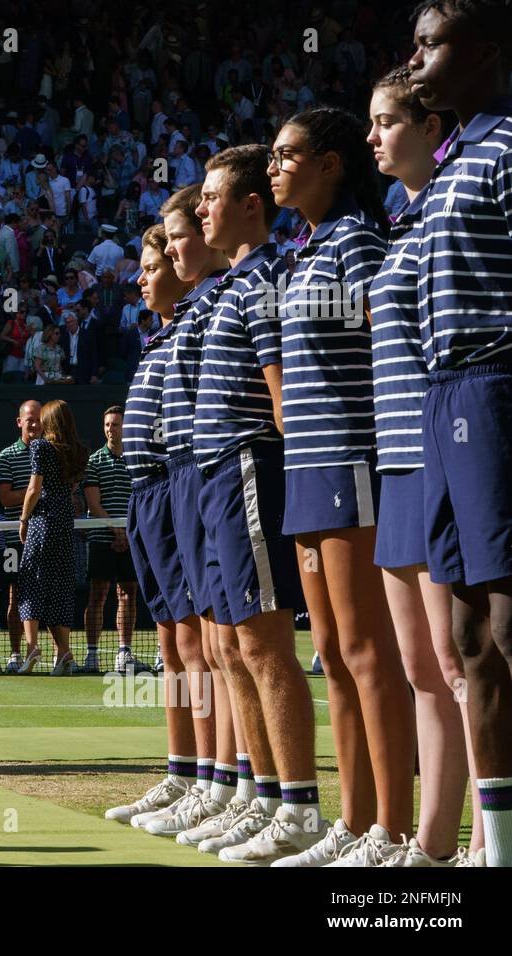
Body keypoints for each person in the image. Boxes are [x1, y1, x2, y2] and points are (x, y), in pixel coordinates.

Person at [268, 107, 415, 866]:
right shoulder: (304, 251)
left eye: (287, 155)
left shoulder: (357, 239)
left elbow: (389, 336)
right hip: (305, 469)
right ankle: (353, 825)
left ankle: (394, 829)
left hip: (350, 462)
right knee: (329, 650)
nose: (273, 168)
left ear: (329, 164)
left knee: (365, 652)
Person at [191, 146, 320, 864]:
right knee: (241, 645)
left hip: (249, 465)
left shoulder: (265, 277)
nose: (201, 208)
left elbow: (281, 395)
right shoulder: (232, 284)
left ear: (250, 207)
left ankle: (297, 806)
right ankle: (265, 799)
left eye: (213, 197)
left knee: (266, 644)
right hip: (219, 472)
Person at [366, 65, 481, 868]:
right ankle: (434, 844)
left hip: (444, 452)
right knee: (422, 670)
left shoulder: (451, 207)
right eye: (371, 123)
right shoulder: (398, 221)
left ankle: (489, 838)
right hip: (397, 462)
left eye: (388, 121)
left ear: (430, 127)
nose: (374, 136)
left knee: (461, 661)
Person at [408, 0, 512, 868]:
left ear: (482, 52)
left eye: (430, 44)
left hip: (494, 384)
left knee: (507, 627)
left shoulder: (508, 147)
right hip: (443, 398)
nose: (415, 60)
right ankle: (496, 849)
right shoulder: (448, 164)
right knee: (469, 637)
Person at [121, 223, 222, 837]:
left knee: (195, 643)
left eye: (152, 268)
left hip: (176, 483)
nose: (142, 279)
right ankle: (182, 772)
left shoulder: (194, 323)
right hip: (147, 493)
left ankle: (211, 778)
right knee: (169, 643)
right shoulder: (157, 337)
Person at [18, 399, 88, 676]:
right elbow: (71, 487)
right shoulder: (77, 450)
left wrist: (24, 519)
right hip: (65, 521)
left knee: (31, 582)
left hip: (43, 521)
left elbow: (34, 489)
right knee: (60, 586)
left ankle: (32, 648)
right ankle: (64, 653)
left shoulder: (40, 447)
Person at [81, 407, 148, 676]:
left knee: (128, 593)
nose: (111, 429)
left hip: (131, 538)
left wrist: (127, 533)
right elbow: (93, 504)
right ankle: (92, 655)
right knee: (97, 594)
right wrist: (116, 530)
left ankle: (124, 653)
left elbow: (141, 499)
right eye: (107, 424)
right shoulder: (94, 461)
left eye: (116, 424)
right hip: (101, 538)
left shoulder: (136, 459)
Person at [0, 400, 42, 673]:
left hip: (46, 536)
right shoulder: (7, 456)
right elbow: (5, 498)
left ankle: (51, 652)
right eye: (29, 419)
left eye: (38, 418)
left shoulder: (51, 451)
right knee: (16, 596)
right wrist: (36, 491)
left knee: (48, 595)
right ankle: (15, 653)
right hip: (16, 540)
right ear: (19, 422)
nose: (34, 423)